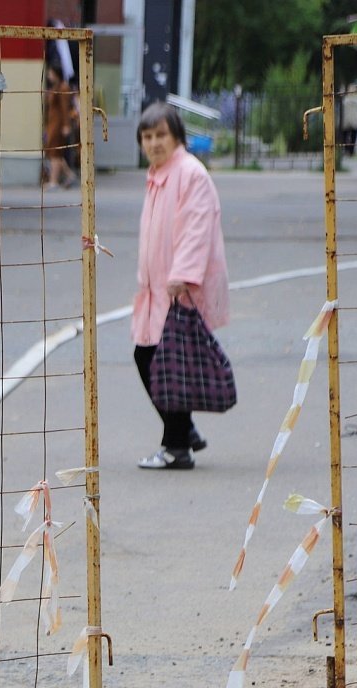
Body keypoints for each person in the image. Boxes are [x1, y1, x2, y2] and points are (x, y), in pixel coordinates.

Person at [131, 100, 229, 471]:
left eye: (161, 135)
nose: (154, 143)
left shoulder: (190, 173)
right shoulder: (159, 174)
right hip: (159, 289)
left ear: (177, 137)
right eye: (147, 136)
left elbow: (196, 227)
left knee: (165, 360)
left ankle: (176, 445)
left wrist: (182, 276)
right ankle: (183, 431)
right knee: (157, 357)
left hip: (179, 289)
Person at [43, 66, 80, 190]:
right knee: (54, 151)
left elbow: (65, 108)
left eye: (51, 73)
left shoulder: (63, 88)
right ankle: (69, 174)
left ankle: (54, 180)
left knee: (55, 152)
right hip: (52, 123)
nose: (49, 76)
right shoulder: (55, 87)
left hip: (58, 124)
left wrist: (66, 125)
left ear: (57, 74)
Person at [338, 84, 357, 159]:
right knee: (346, 136)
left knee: (353, 136)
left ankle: (350, 151)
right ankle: (347, 150)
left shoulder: (356, 100)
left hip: (354, 120)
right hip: (347, 121)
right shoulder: (347, 99)